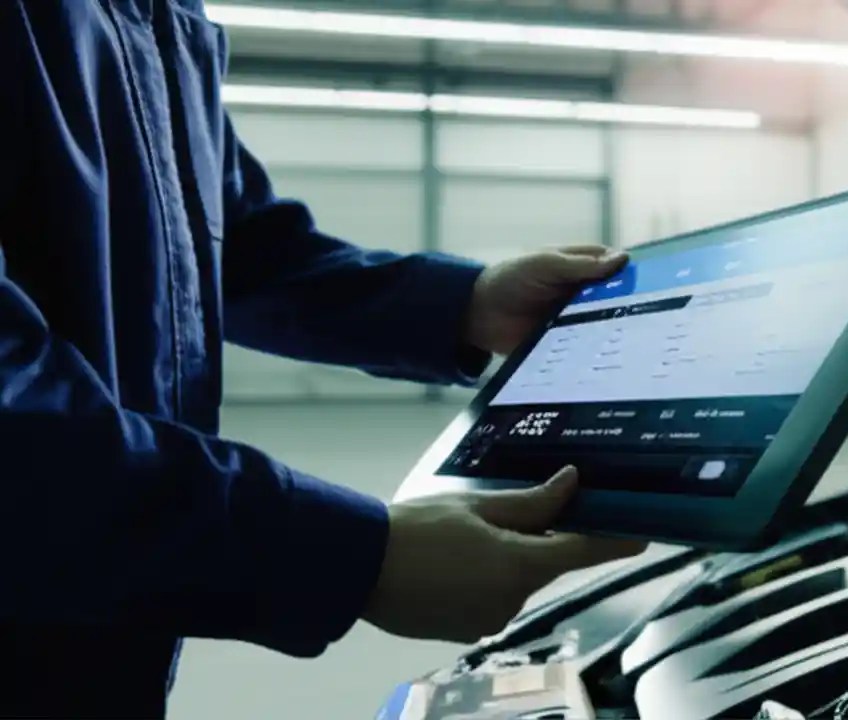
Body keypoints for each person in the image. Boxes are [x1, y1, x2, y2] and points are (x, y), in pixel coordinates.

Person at [0, 1, 642, 717]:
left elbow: (237, 241)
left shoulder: (162, 13)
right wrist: (349, 555)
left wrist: (467, 302)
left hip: (107, 620)